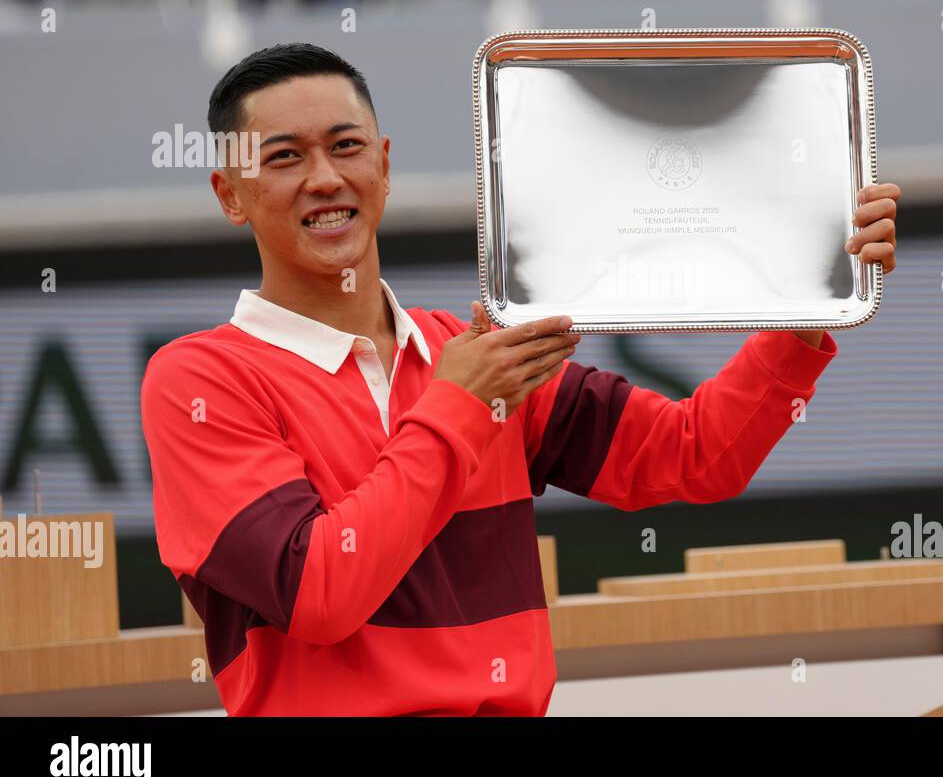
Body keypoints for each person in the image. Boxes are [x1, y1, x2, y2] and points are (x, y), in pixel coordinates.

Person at [138, 43, 901, 716]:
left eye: (347, 146)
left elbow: (697, 456)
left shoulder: (478, 354)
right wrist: (460, 403)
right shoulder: (199, 380)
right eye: (283, 157)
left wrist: (810, 294)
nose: (325, 178)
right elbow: (319, 595)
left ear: (386, 165)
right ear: (228, 194)